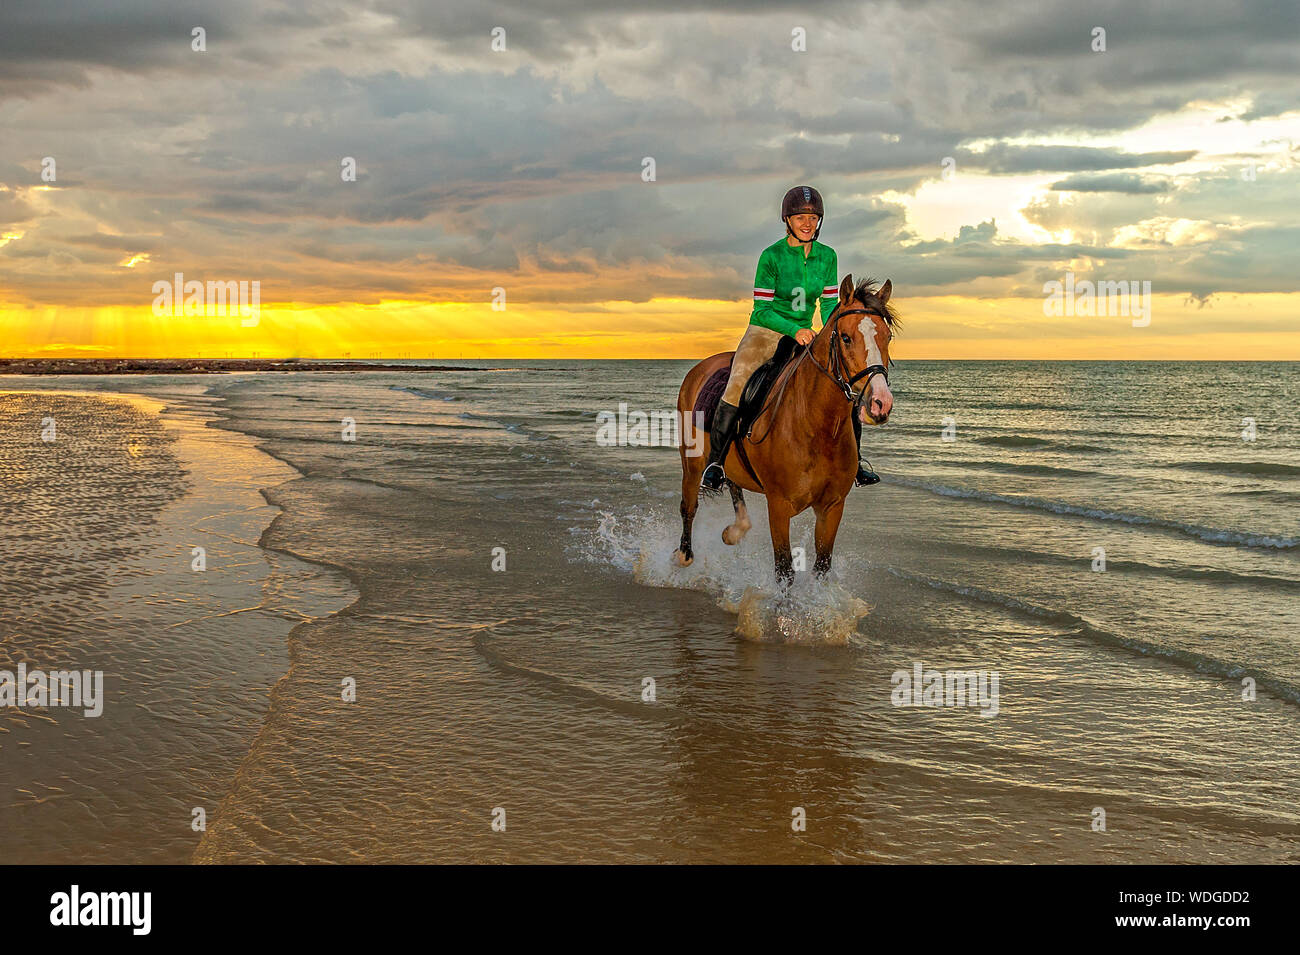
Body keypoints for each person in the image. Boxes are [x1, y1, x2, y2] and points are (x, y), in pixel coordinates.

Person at [700, 185, 879, 492]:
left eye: (812, 217)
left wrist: (829, 334)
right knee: (738, 380)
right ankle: (715, 463)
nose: (807, 223)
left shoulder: (827, 257)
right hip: (765, 332)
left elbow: (826, 305)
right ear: (787, 220)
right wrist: (794, 329)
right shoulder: (771, 256)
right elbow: (763, 309)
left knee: (843, 384)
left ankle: (857, 462)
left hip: (808, 335)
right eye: (800, 217)